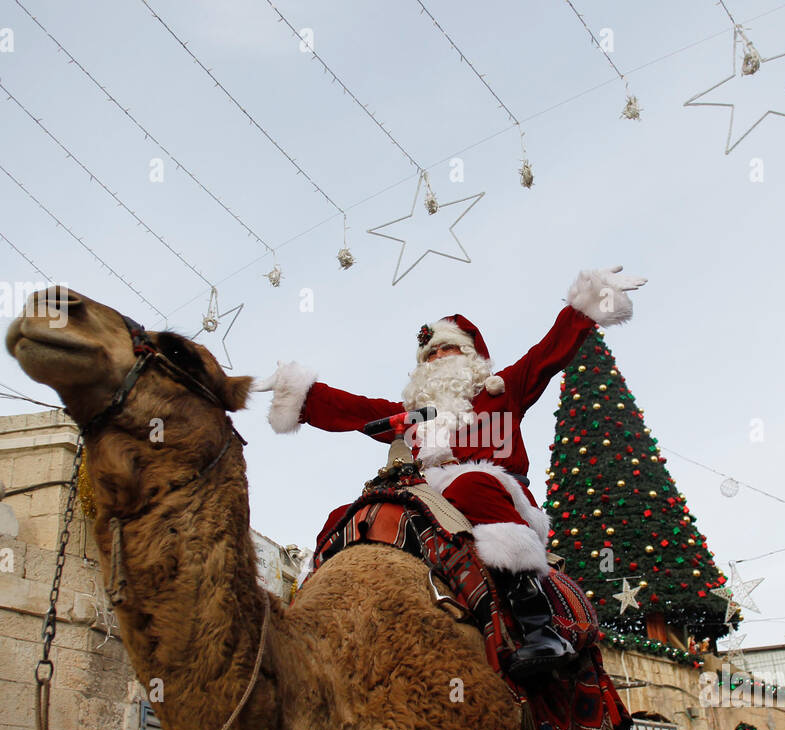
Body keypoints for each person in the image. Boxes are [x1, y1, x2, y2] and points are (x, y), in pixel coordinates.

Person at [253, 267, 646, 682]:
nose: (437, 361)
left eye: (447, 351)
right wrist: (300, 391)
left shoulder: (502, 390)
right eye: (430, 355)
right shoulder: (415, 415)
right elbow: (356, 410)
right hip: (426, 497)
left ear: (470, 356)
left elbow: (547, 354)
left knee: (470, 483)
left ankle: (536, 624)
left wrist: (588, 305)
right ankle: (312, 625)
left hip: (493, 491)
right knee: (346, 516)